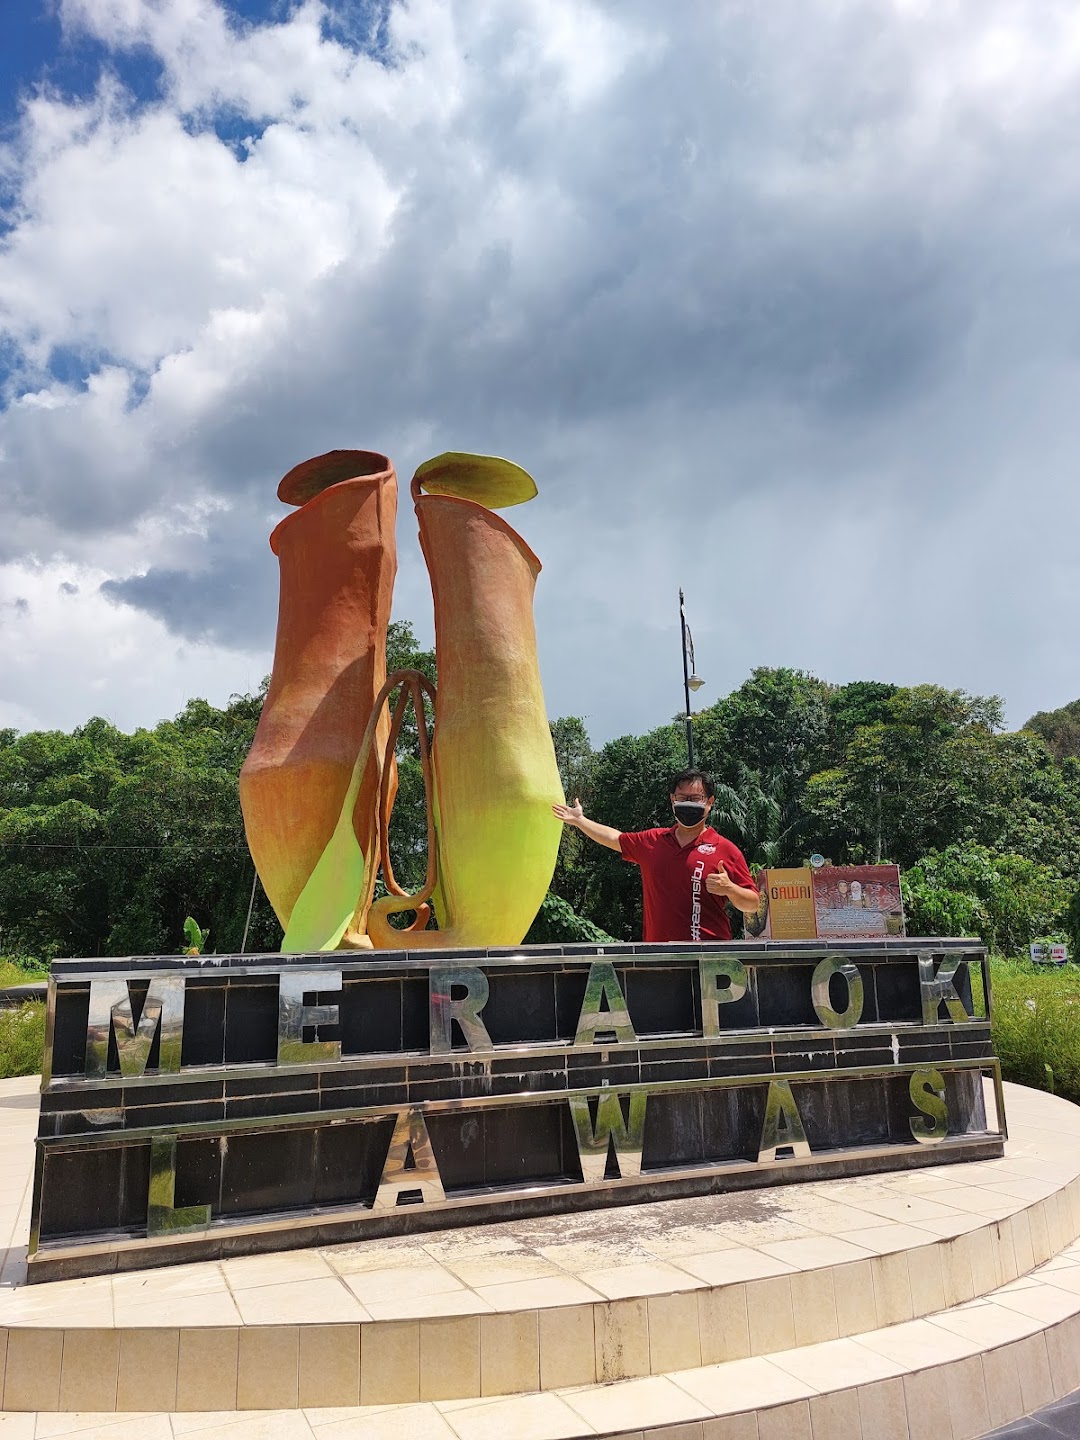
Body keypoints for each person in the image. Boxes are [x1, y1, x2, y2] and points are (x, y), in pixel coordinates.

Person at [552, 769, 760, 943]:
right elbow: (615, 838)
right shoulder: (653, 841)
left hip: (709, 957)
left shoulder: (724, 849)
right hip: (659, 956)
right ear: (672, 800)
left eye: (696, 798)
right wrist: (580, 821)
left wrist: (730, 889)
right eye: (682, 798)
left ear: (710, 802)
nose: (688, 803)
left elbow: (752, 904)